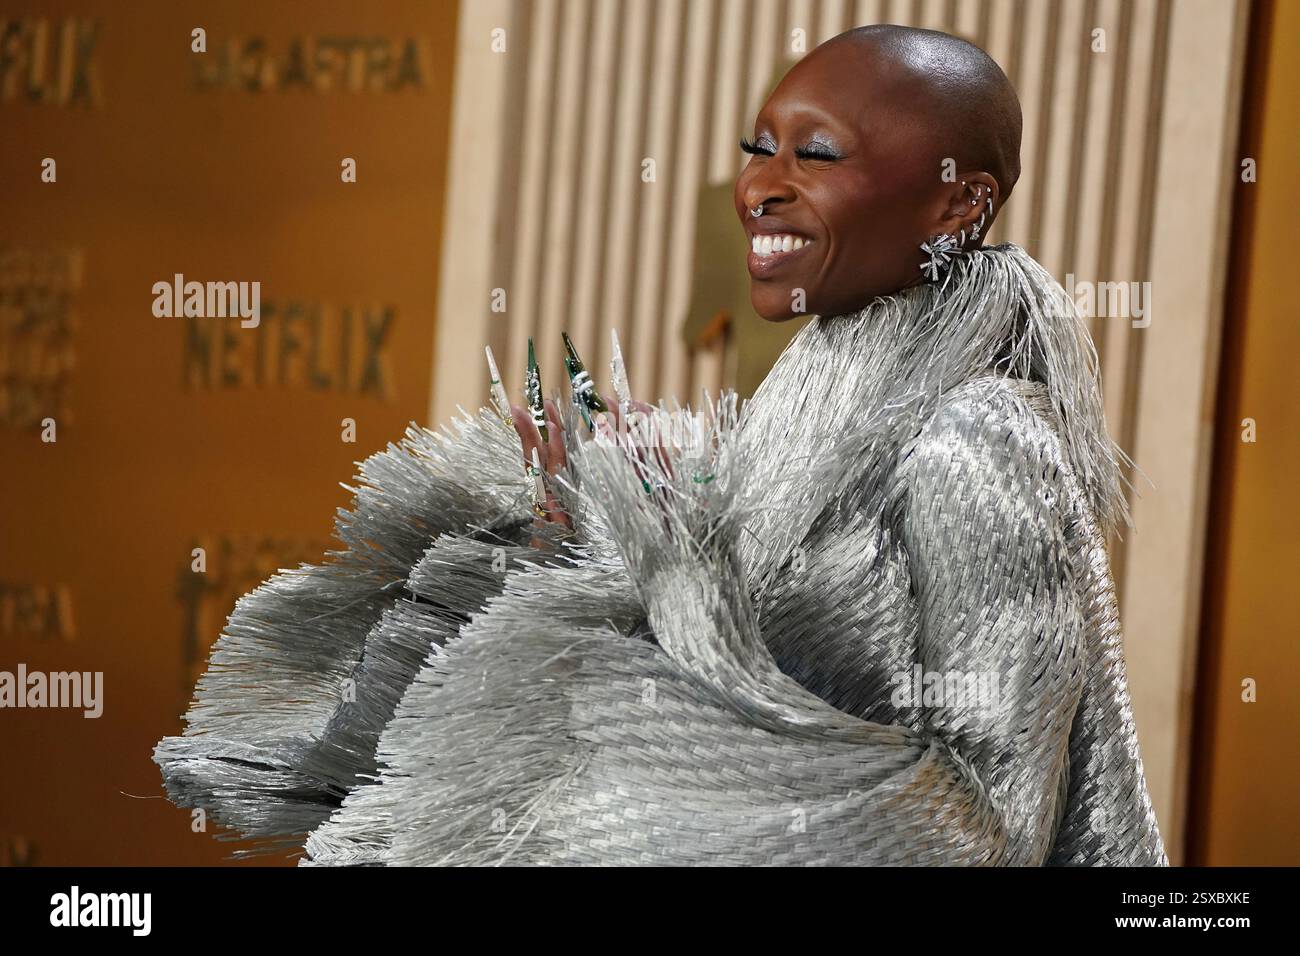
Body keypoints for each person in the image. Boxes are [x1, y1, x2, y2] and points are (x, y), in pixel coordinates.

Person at [155, 25, 1167, 866]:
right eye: (756, 146)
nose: (759, 188)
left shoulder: (979, 440)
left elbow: (990, 826)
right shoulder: (817, 401)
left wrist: (695, 677)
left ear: (960, 201)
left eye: (814, 155)